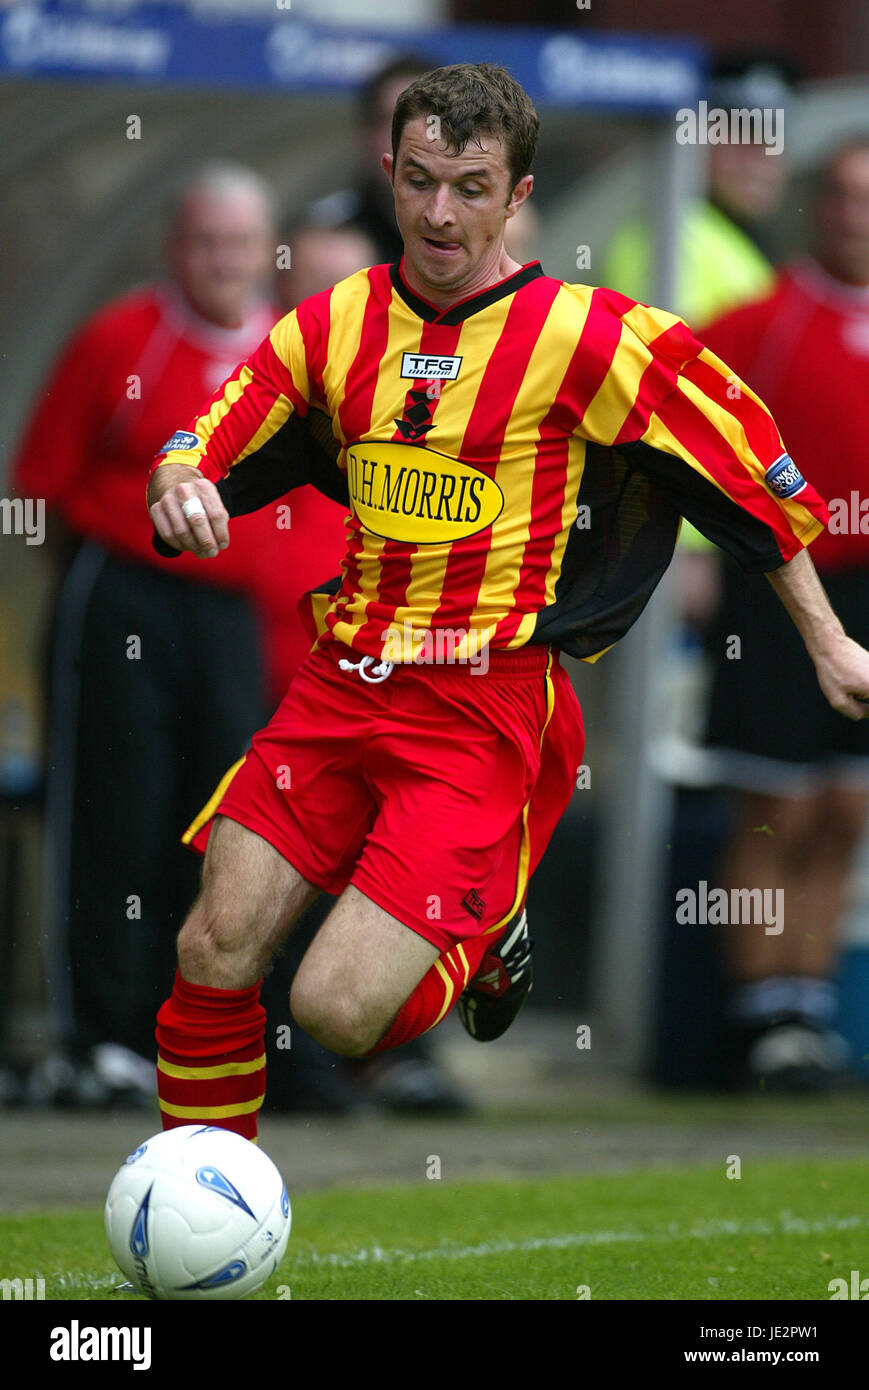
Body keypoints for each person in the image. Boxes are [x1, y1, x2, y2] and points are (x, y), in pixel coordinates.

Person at [147, 63, 866, 1144]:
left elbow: (737, 467)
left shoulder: (585, 336)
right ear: (389, 171)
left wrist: (827, 638)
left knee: (335, 1013)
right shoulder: (331, 320)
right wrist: (178, 478)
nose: (441, 213)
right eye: (422, 180)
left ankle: (484, 936)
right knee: (211, 947)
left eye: (471, 187)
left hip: (480, 707)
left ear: (517, 194)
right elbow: (209, 433)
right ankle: (195, 1199)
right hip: (339, 683)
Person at [10, 162, 285, 1106]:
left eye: (240, 243)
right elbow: (40, 485)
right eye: (206, 241)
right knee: (109, 817)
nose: (223, 261)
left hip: (229, 614)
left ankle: (188, 1035)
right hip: (120, 590)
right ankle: (98, 1038)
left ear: (265, 251)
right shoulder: (117, 338)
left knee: (223, 827)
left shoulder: (287, 350)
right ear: (176, 247)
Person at [698, 136, 869, 1089]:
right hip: (780, 589)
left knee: (846, 807)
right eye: (842, 197)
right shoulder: (759, 322)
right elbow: (684, 439)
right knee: (773, 807)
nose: (856, 216)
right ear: (819, 208)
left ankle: (805, 1008)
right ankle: (756, 1016)